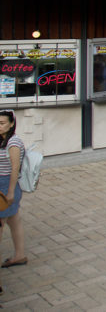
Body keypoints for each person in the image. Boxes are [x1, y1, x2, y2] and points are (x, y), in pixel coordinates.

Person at [0, 110, 26, 270]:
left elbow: (15, 169)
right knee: (14, 221)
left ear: (11, 124)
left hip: (7, 185)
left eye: (2, 123)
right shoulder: (2, 139)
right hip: (3, 184)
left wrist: (10, 193)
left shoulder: (13, 143)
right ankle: (20, 255)